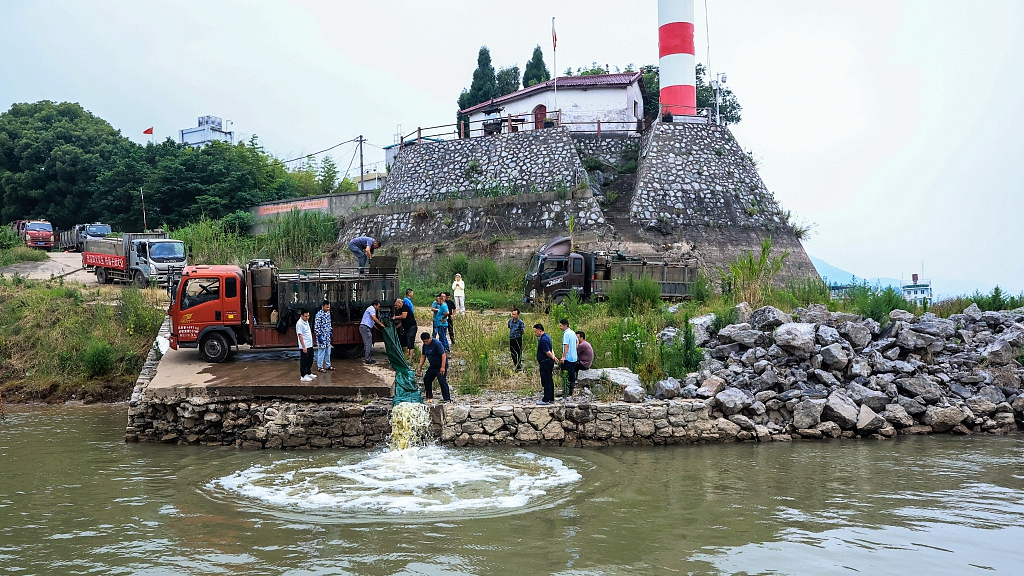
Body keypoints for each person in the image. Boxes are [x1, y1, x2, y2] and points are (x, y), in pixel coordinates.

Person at [416, 332, 451, 402]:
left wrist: (443, 367)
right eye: (424, 342)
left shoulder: (437, 343)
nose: (425, 343)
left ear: (430, 338)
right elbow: (423, 356)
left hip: (440, 365)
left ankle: (447, 399)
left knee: (442, 380)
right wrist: (420, 367)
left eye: (426, 341)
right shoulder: (425, 346)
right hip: (433, 365)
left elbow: (443, 355)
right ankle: (429, 396)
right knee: (427, 379)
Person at [534, 323, 556, 405]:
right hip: (548, 361)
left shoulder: (543, 340)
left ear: (540, 331)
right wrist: (554, 357)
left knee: (546, 380)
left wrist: (553, 357)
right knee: (549, 379)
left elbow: (547, 351)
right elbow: (551, 349)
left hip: (545, 362)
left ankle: (546, 399)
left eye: (535, 332)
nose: (535, 333)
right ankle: (551, 398)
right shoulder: (547, 337)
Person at [359, 299, 385, 364]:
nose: (378, 308)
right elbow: (373, 318)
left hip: (366, 327)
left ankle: (368, 358)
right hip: (365, 327)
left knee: (368, 343)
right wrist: (380, 324)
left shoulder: (370, 309)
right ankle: (367, 359)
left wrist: (378, 329)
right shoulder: (372, 309)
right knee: (368, 343)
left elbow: (372, 322)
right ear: (375, 305)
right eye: (378, 306)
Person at [392, 298, 417, 363]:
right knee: (403, 342)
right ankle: (406, 355)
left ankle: (410, 359)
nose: (395, 307)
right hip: (406, 328)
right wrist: (395, 328)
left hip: (411, 328)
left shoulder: (405, 307)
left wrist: (395, 317)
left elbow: (404, 316)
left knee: (410, 343)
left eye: (396, 305)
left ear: (400, 303)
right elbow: (402, 322)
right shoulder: (401, 309)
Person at [559, 318, 579, 396]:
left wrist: (563, 357)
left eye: (561, 326)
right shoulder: (573, 332)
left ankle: (566, 391)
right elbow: (577, 341)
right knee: (572, 374)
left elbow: (566, 346)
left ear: (565, 326)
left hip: (568, 358)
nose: (560, 327)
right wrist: (574, 349)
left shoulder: (566, 334)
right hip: (574, 357)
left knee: (565, 374)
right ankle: (571, 391)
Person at [296, 308, 316, 382]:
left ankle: (308, 372)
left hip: (309, 344)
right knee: (304, 360)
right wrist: (303, 346)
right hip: (304, 345)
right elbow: (300, 335)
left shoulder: (306, 321)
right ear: (301, 316)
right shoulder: (299, 323)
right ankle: (303, 375)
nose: (307, 318)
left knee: (310, 359)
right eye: (306, 316)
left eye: (308, 316)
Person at [314, 300, 334, 372]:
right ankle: (320, 366)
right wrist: (318, 335)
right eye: (327, 307)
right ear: (323, 307)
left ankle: (328, 365)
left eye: (329, 307)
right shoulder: (319, 315)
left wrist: (331, 330)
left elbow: (329, 323)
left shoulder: (328, 313)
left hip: (327, 335)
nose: (328, 309)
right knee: (321, 352)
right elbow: (317, 326)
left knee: (328, 351)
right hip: (322, 336)